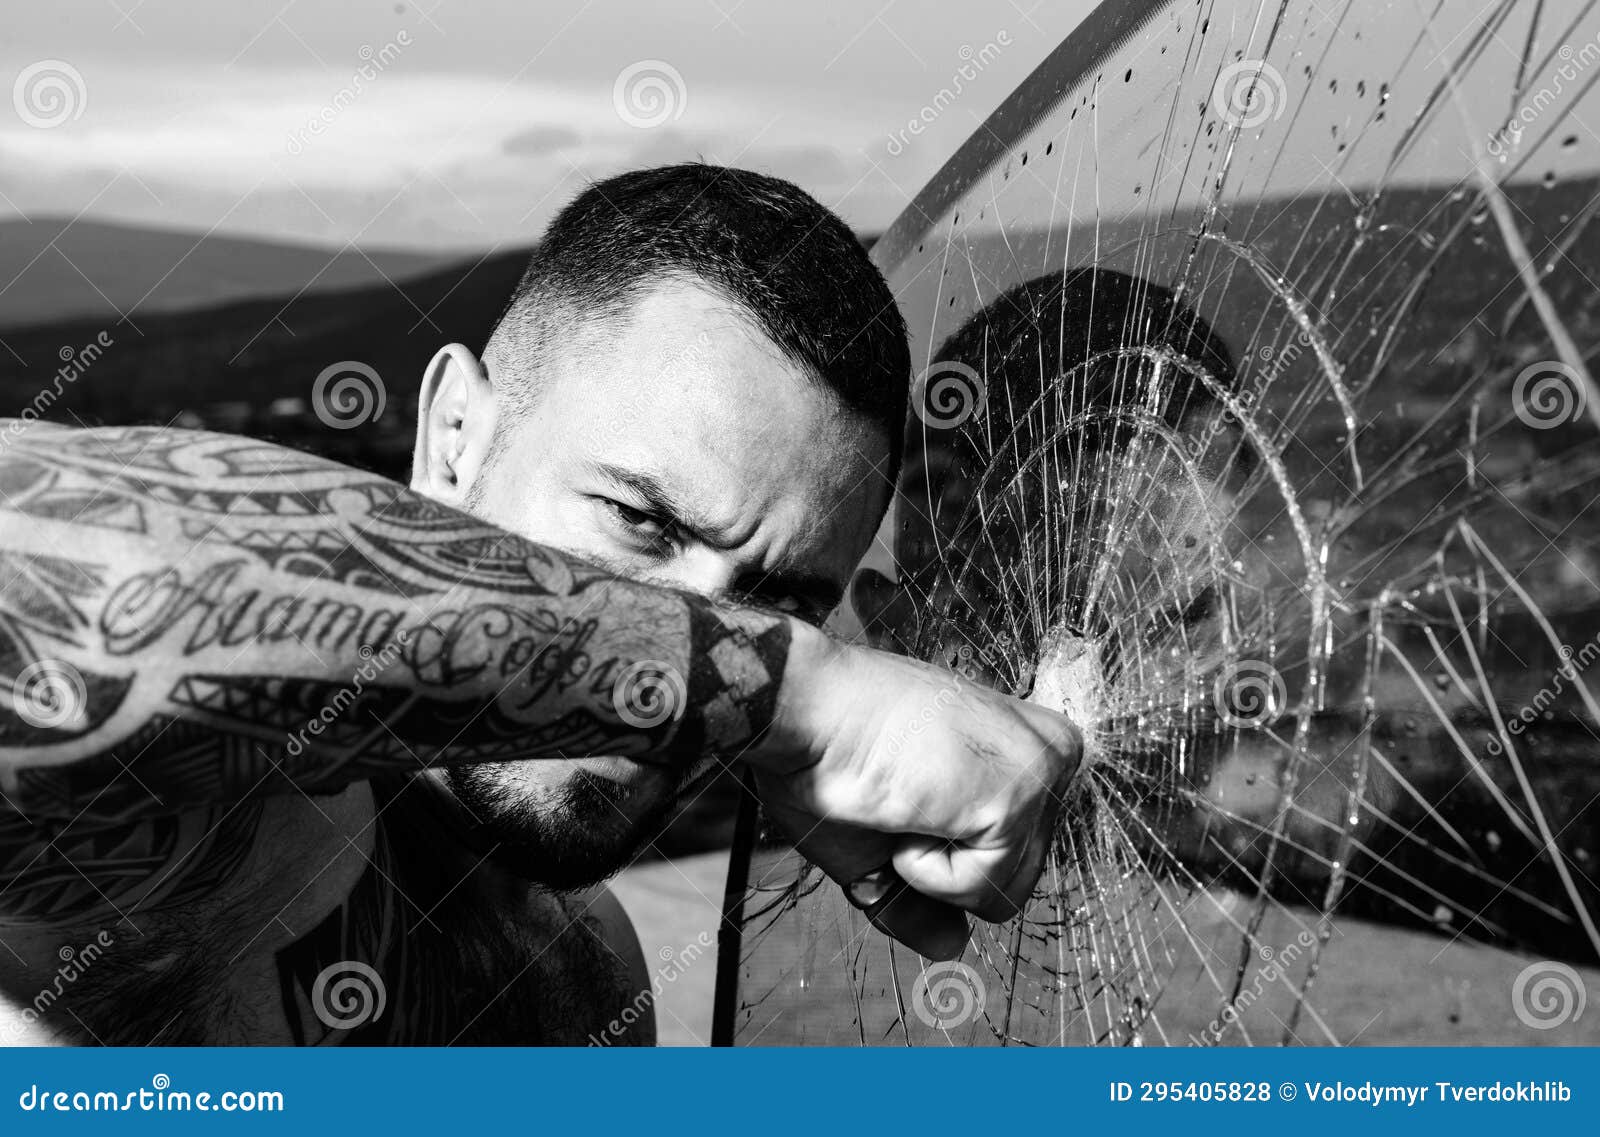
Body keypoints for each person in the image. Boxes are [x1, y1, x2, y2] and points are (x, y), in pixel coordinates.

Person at [0, 165, 1080, 1045]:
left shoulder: (588, 970)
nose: (711, 623)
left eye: (779, 602)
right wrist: (809, 692)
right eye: (640, 524)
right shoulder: (200, 828)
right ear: (454, 438)